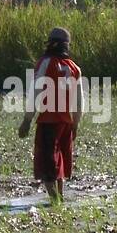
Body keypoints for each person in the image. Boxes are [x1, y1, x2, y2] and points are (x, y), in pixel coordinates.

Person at [18, 27, 83, 203]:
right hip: (66, 123)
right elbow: (79, 101)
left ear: (51, 43)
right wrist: (75, 124)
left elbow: (36, 92)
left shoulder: (45, 62)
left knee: (47, 163)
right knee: (59, 161)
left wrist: (27, 119)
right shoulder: (74, 67)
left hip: (48, 121)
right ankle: (59, 197)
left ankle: (55, 201)